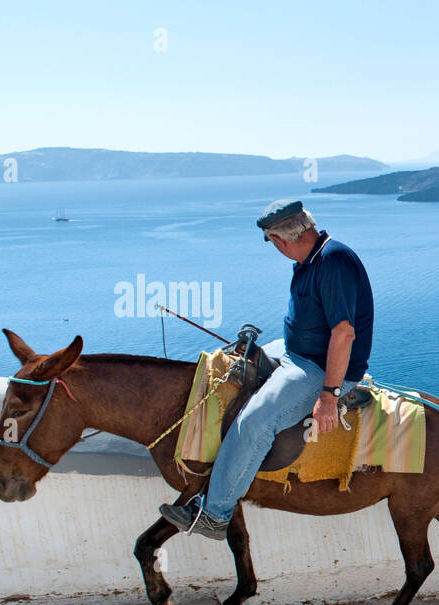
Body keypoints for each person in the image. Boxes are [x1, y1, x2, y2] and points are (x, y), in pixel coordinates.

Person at [159, 199, 375, 539]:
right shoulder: (309, 259)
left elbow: (344, 333)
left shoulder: (333, 261)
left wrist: (329, 396)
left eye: (272, 242)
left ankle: (215, 515)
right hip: (296, 353)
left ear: (280, 240)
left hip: (316, 367)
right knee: (238, 361)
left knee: (253, 423)